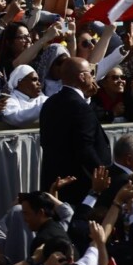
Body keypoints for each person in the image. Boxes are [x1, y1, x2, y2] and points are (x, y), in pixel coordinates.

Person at [38, 57, 111, 204]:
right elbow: (85, 148)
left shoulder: (50, 103)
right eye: (91, 73)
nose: (93, 77)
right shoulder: (80, 107)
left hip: (54, 182)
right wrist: (103, 175)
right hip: (78, 186)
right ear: (82, 77)